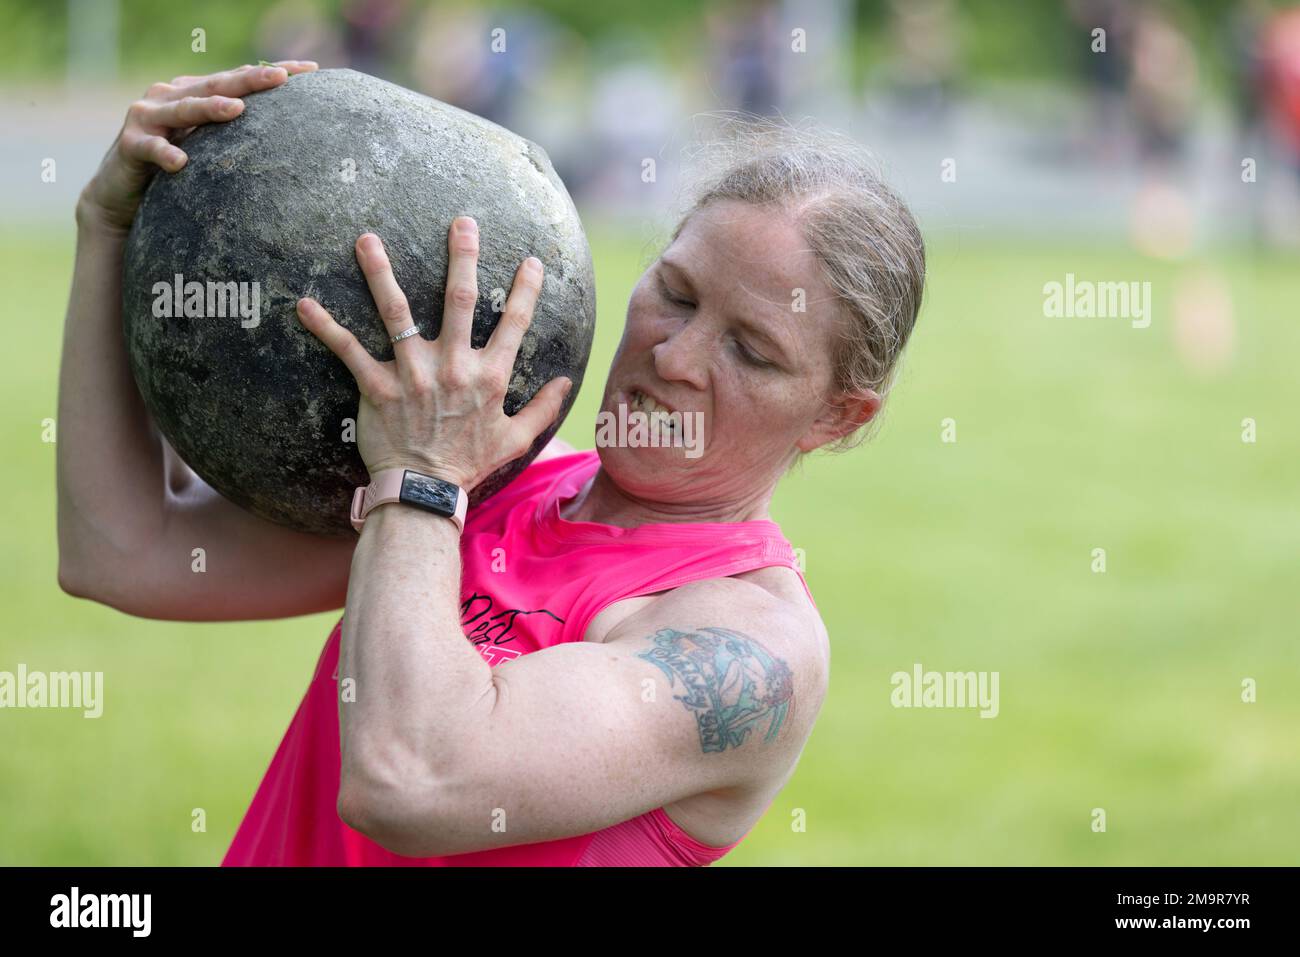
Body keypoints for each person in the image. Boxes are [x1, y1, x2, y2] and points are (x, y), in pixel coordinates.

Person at [57, 62, 926, 866]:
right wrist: (106, 228)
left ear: (835, 414)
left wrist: (424, 471)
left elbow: (410, 778)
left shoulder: (750, 646)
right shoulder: (505, 478)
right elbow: (125, 552)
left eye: (752, 351)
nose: (677, 356)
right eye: (677, 293)